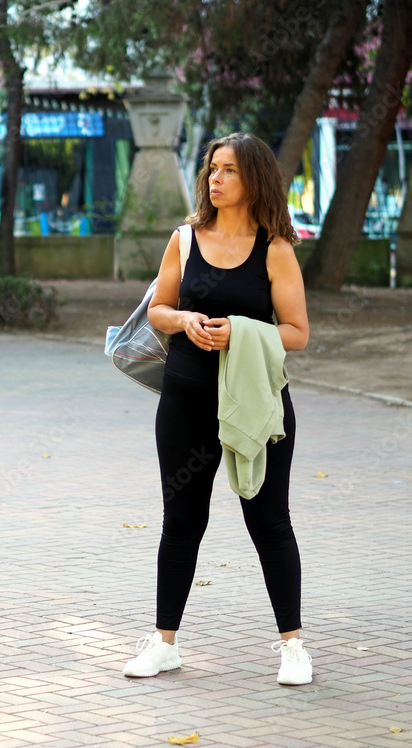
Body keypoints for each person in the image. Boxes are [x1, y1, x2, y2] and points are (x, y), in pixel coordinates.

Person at [122, 132, 312, 685]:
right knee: (181, 521)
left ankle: (293, 647)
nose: (214, 178)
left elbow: (298, 332)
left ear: (253, 179)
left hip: (256, 403)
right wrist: (184, 320)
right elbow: (157, 308)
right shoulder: (184, 240)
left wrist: (241, 332)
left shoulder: (275, 248)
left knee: (269, 520)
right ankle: (163, 643)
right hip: (185, 402)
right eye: (211, 168)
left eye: (227, 170)